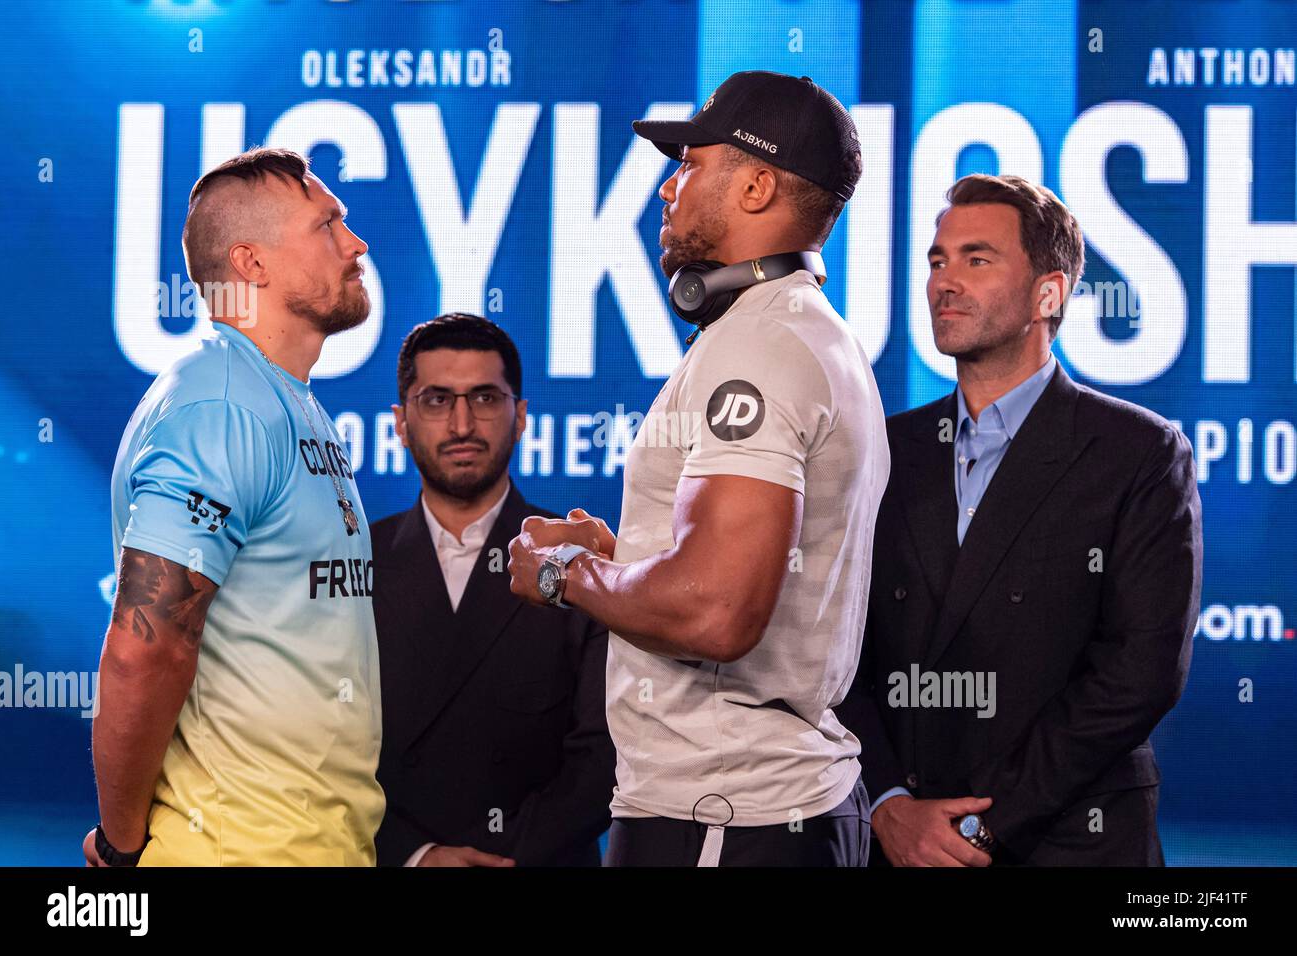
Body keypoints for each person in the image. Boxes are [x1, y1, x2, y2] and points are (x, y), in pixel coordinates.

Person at [507, 70, 889, 866]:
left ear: (755, 186)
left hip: (722, 820)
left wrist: (563, 572)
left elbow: (718, 611)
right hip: (754, 814)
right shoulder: (794, 332)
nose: (667, 190)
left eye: (690, 166)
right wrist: (629, 558)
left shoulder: (761, 345)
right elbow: (732, 571)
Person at [836, 173, 1202, 866]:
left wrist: (978, 824)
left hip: (1068, 843)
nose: (945, 281)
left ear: (1049, 292)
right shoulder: (885, 450)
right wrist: (887, 805)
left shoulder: (1139, 455)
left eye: (977, 259)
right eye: (937, 260)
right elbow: (832, 649)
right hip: (900, 844)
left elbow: (1139, 673)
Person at [89, 147, 384, 866]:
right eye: (328, 225)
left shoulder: (281, 400)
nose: (356, 243)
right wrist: (124, 849)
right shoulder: (218, 407)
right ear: (253, 265)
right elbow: (145, 645)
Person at [372, 314, 615, 867]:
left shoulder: (581, 560)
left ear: (521, 415)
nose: (461, 424)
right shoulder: (354, 564)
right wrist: (415, 854)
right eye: (435, 400)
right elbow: (320, 747)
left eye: (484, 398)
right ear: (400, 423)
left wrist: (510, 859)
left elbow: (606, 749)